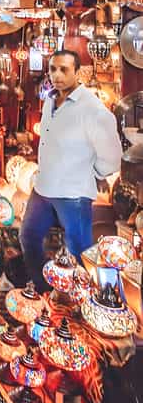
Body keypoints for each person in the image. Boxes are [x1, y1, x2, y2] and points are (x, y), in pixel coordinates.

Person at [20, 50, 122, 290]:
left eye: (64, 69)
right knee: (29, 237)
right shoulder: (49, 102)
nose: (57, 75)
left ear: (77, 73)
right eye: (53, 69)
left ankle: (81, 301)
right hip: (44, 188)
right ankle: (44, 291)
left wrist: (90, 172)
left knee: (78, 250)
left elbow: (112, 158)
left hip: (73, 194)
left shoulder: (92, 110)